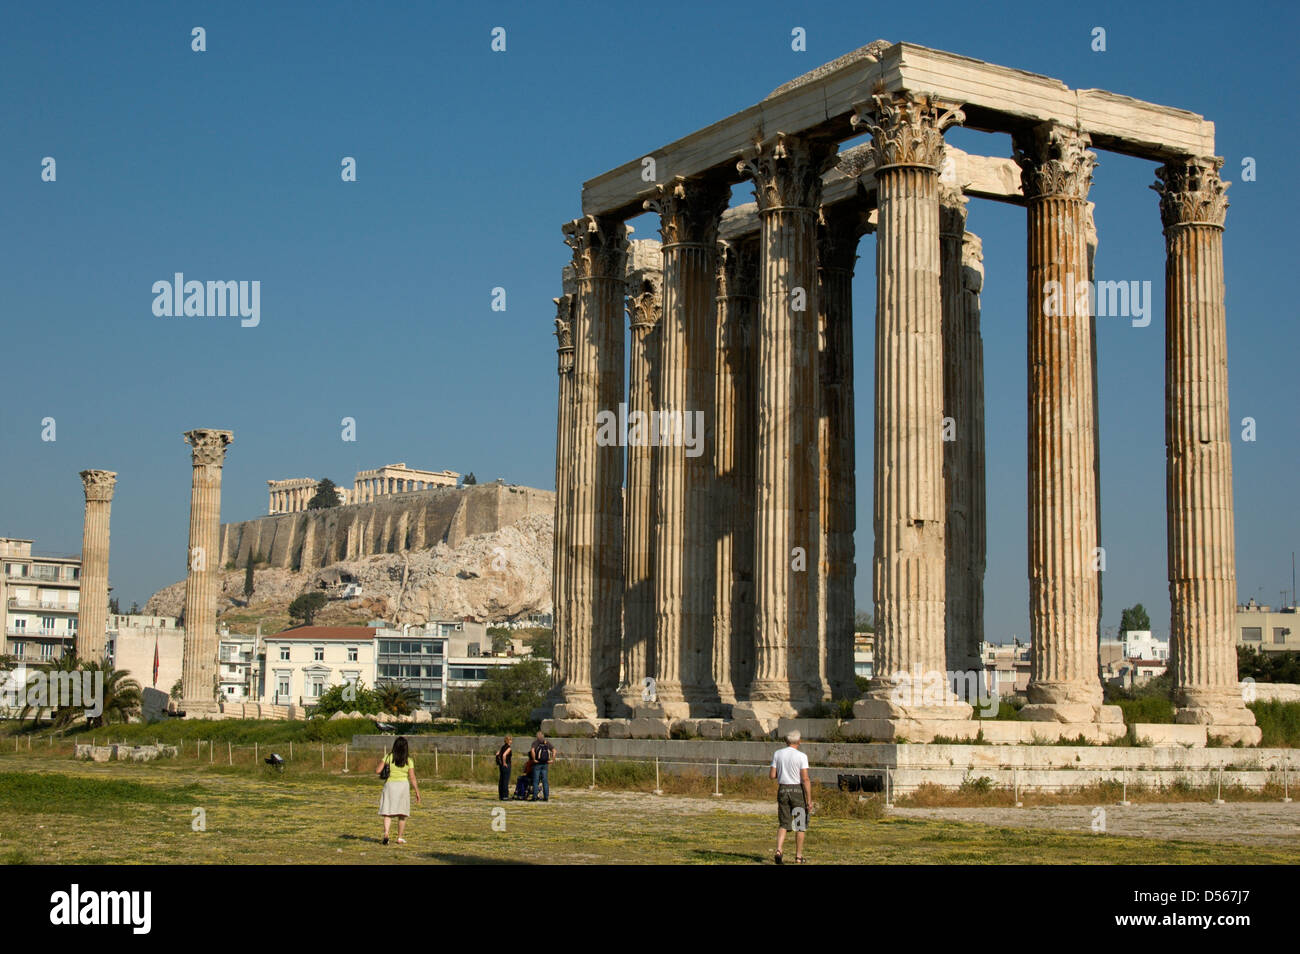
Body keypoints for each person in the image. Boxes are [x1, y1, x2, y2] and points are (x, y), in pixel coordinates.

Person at [769, 730, 812, 864]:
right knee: (800, 824)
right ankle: (798, 857)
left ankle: (779, 850)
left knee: (783, 823)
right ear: (799, 741)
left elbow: (772, 775)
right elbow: (805, 778)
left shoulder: (778, 754)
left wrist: (782, 773)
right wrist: (809, 799)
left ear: (786, 741)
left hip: (783, 789)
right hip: (796, 790)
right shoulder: (801, 756)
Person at [376, 736, 421, 845]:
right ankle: (400, 837)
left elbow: (378, 770)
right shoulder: (408, 760)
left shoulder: (388, 757)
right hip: (403, 786)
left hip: (390, 785)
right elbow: (412, 777)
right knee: (402, 813)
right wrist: (417, 792)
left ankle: (386, 833)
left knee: (388, 811)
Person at [529, 731, 554, 802]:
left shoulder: (535, 743)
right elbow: (554, 750)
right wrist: (552, 760)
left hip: (537, 763)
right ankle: (546, 797)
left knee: (536, 781)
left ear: (537, 736)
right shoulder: (547, 743)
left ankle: (534, 797)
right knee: (545, 781)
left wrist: (534, 759)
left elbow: (532, 751)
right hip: (545, 763)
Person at [495, 735, 513, 801]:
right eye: (511, 740)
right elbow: (504, 755)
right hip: (506, 765)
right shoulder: (508, 748)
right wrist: (505, 762)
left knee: (501, 780)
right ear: (508, 741)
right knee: (505, 780)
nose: (511, 741)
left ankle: (501, 795)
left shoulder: (502, 747)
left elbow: (497, 753)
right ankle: (505, 796)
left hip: (501, 766)